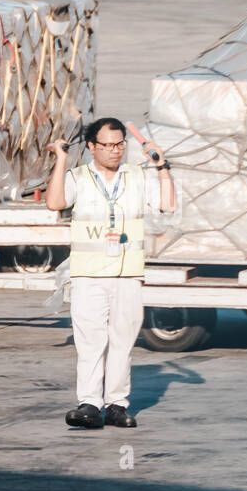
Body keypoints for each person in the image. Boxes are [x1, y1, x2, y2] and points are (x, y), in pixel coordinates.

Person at [46, 117, 175, 429]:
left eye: (120, 144)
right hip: (89, 276)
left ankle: (117, 405)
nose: (115, 151)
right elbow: (55, 202)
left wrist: (162, 166)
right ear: (92, 147)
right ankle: (89, 404)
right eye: (107, 145)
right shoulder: (78, 177)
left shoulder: (137, 176)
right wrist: (61, 161)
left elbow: (168, 205)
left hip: (127, 274)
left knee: (122, 342)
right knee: (90, 342)